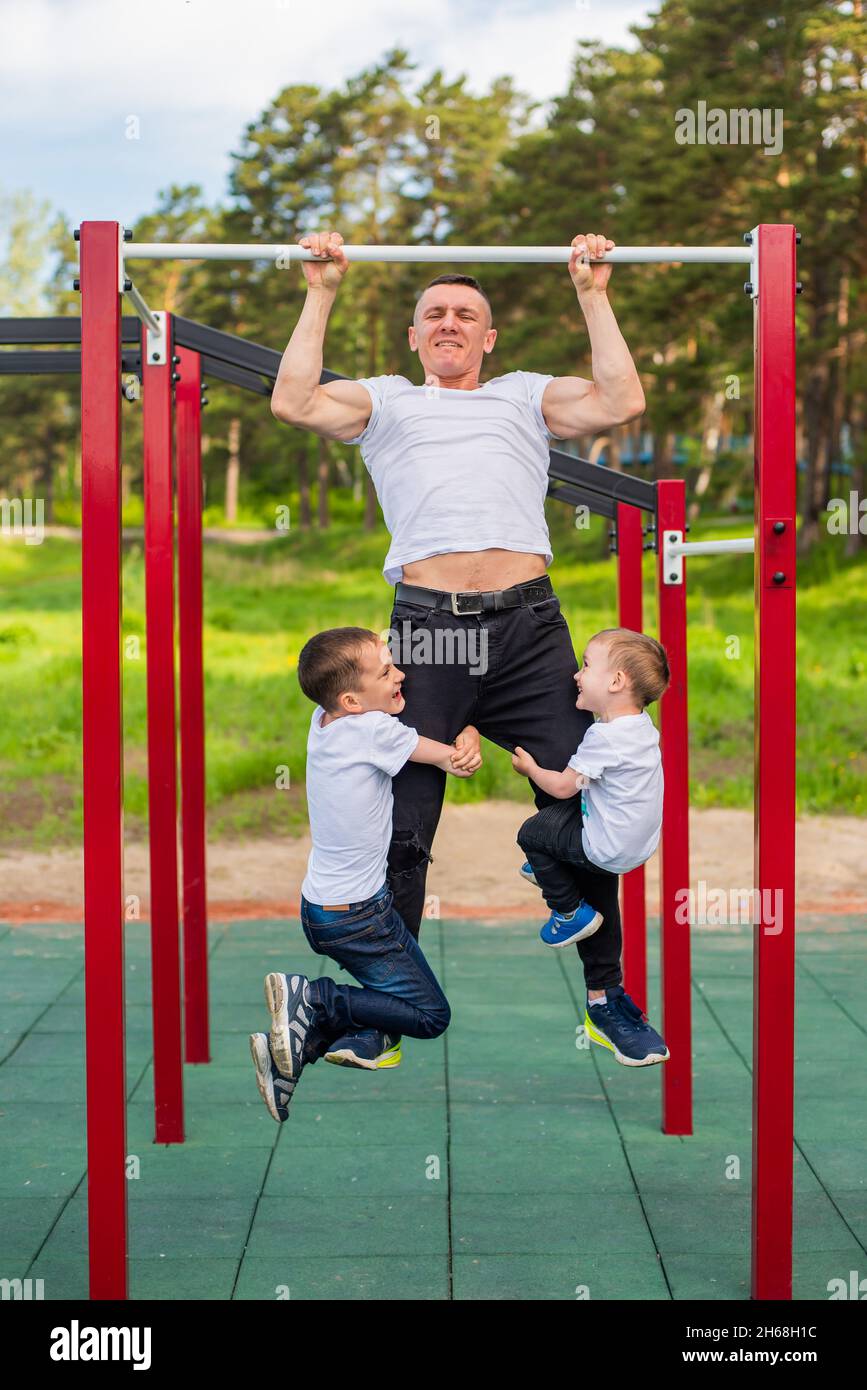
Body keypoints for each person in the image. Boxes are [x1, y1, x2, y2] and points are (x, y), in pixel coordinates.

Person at [270, 226, 666, 1067]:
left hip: (528, 629)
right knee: (403, 829)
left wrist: (592, 292)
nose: (448, 323)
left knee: (583, 807)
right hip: (427, 629)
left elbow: (620, 400)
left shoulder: (523, 395)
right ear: (413, 337)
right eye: (433, 314)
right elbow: (294, 402)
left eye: (465, 315)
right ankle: (382, 1011)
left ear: (487, 338)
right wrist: (321, 290)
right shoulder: (386, 401)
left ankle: (607, 997)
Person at [249, 626, 482, 1123]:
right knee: (429, 1015)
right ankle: (312, 996)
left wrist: (373, 649)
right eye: (388, 672)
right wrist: (469, 731)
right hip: (359, 916)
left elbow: (348, 666)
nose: (402, 675)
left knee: (384, 1002)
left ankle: (291, 1054)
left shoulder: (324, 720)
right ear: (353, 699)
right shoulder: (373, 730)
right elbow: (454, 761)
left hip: (322, 911)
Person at [513, 627, 671, 1067]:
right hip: (633, 848)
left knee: (531, 834)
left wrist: (529, 767)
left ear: (616, 682)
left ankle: (567, 909)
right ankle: (553, 873)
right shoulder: (641, 728)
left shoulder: (603, 737)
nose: (576, 676)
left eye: (585, 666)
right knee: (552, 840)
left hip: (602, 848)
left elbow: (563, 788)